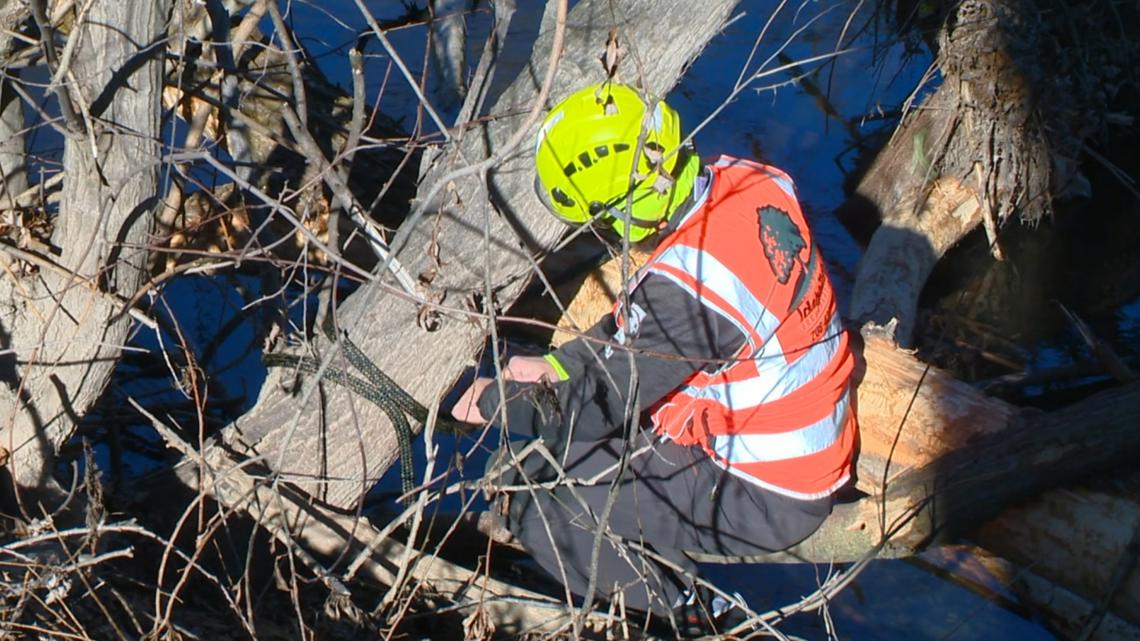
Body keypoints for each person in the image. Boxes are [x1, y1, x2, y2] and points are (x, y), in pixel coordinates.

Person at [452, 82, 857, 636]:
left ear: (626, 208)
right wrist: (559, 364)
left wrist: (494, 402)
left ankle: (692, 616)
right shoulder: (750, 181)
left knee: (535, 507)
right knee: (538, 463)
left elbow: (597, 404)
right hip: (801, 434)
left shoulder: (696, 288)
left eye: (601, 218)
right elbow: (634, 337)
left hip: (766, 490)